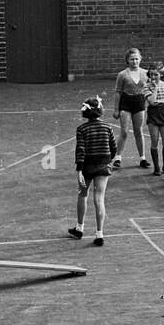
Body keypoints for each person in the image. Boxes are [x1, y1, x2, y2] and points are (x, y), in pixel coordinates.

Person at [69, 96, 116, 245]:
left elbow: (81, 150)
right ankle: (99, 234)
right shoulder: (108, 127)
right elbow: (113, 147)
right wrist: (108, 160)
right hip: (103, 165)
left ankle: (80, 228)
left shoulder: (82, 129)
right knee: (99, 198)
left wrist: (79, 170)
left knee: (82, 194)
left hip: (88, 166)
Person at [112, 48, 149, 170]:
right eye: (132, 59)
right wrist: (116, 109)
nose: (134, 61)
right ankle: (118, 157)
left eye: (136, 59)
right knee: (124, 131)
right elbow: (118, 92)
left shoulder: (145, 73)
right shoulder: (122, 74)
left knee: (139, 131)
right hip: (126, 104)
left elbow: (150, 89)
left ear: (140, 59)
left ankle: (142, 158)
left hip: (139, 104)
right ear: (127, 60)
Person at [144, 64, 164, 175]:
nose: (154, 77)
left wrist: (161, 102)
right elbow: (151, 101)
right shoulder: (147, 86)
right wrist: (155, 88)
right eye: (151, 75)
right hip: (153, 115)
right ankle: (157, 167)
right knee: (154, 141)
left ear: (161, 74)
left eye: (156, 74)